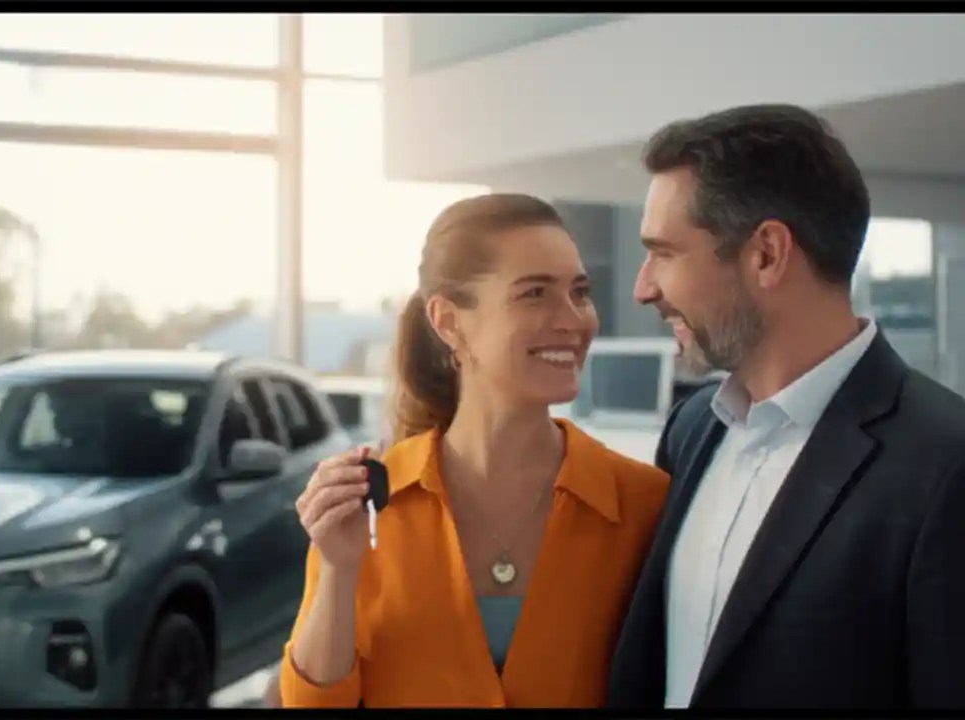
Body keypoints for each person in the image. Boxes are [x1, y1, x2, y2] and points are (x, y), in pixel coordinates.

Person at [607, 104, 965, 709]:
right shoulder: (691, 430)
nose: (644, 288)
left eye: (664, 253)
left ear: (767, 254)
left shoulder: (946, 466)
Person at [278, 193, 670, 708]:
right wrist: (337, 568)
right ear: (447, 320)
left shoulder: (643, 503)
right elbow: (314, 704)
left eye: (580, 292)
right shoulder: (369, 501)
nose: (573, 319)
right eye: (535, 293)